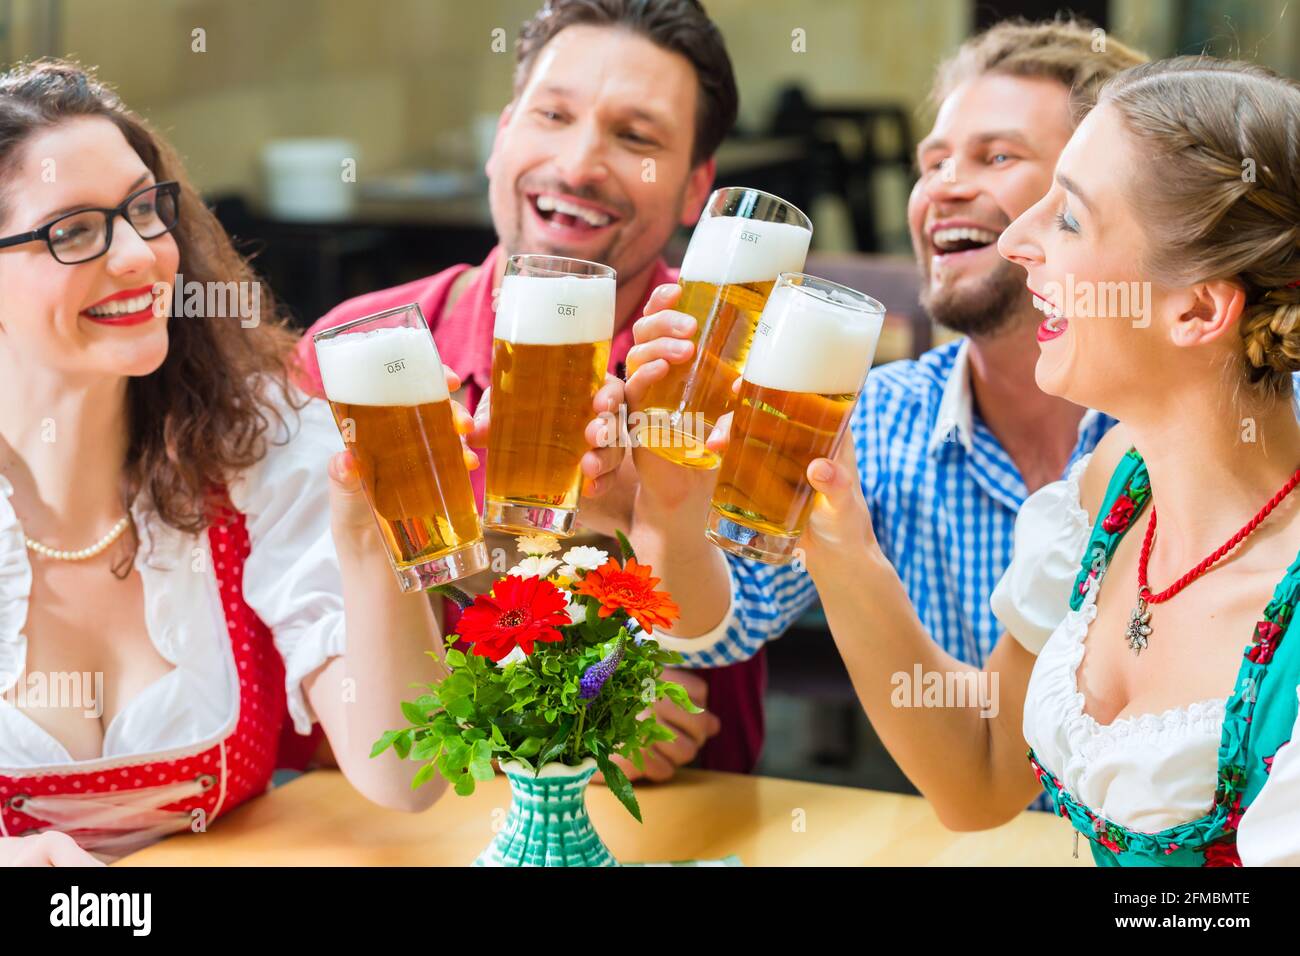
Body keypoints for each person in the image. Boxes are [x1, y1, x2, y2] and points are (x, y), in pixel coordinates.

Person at [791, 56, 1300, 865]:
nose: (1018, 240)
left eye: (1068, 219)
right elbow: (982, 775)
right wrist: (836, 540)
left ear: (1198, 307)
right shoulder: (1111, 485)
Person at [0, 60, 471, 865]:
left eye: (145, 211)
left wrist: (370, 545)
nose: (142, 258)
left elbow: (411, 774)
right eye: (73, 230)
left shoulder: (262, 445)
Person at [294, 0, 761, 781]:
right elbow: (285, 681)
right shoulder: (353, 352)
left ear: (694, 189)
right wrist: (560, 710)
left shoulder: (731, 370)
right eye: (552, 115)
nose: (579, 165)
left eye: (635, 137)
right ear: (504, 131)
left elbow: (726, 645)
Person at [625, 21, 1146, 676]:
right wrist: (670, 507)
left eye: (999, 156)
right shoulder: (873, 419)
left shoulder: (1195, 425)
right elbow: (711, 628)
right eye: (932, 165)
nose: (942, 189)